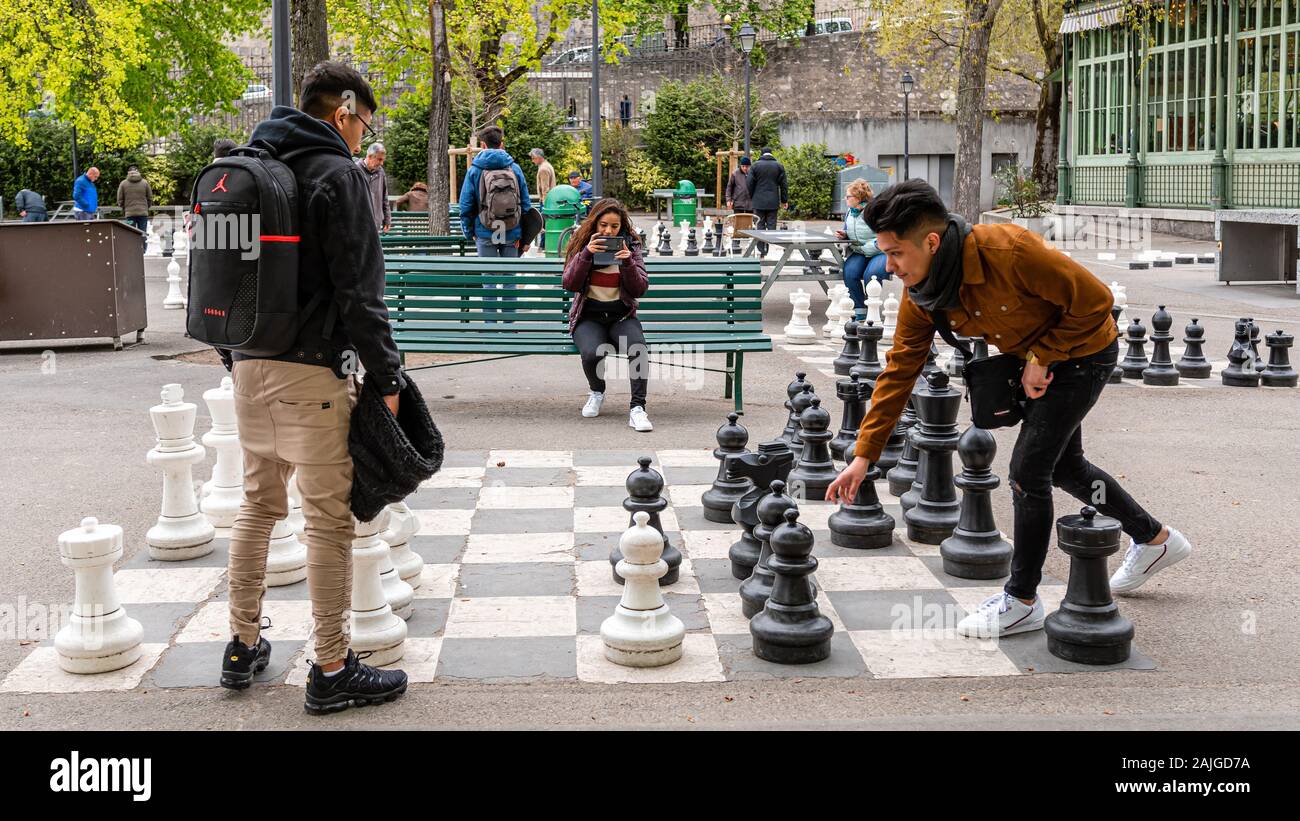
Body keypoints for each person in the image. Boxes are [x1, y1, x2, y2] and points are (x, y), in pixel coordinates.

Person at [825, 180, 1191, 639]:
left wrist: (1043, 356)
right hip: (1036, 359)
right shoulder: (925, 294)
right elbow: (899, 371)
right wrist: (864, 456)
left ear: (932, 242)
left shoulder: (1008, 250)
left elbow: (1097, 302)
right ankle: (1155, 539)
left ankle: (1021, 599)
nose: (889, 265)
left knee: (1028, 471)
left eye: (896, 253)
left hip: (1086, 352)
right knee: (1065, 467)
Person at [221, 60, 408, 713]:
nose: (364, 136)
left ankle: (242, 646)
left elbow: (218, 280)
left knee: (257, 506)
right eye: (364, 121)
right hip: (314, 371)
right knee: (327, 523)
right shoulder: (337, 177)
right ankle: (331, 667)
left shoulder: (250, 168)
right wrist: (387, 378)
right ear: (343, 113)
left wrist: (237, 359)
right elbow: (362, 294)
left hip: (248, 366)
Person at [561, 198, 653, 432]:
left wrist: (628, 263)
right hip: (589, 317)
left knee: (638, 349)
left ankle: (637, 409)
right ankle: (597, 391)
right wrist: (586, 254)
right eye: (603, 225)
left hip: (621, 317)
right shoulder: (582, 243)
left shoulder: (631, 246)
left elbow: (639, 288)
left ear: (622, 226)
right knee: (591, 354)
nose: (608, 231)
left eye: (614, 226)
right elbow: (569, 283)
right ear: (595, 223)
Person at [460, 125, 532, 320]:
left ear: (482, 144)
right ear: (502, 144)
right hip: (511, 231)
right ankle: (509, 323)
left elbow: (466, 204)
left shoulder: (475, 169)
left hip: (485, 230)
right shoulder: (514, 168)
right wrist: (524, 237)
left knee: (489, 280)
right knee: (509, 280)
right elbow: (526, 206)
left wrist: (470, 231)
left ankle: (490, 323)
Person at [835, 178, 889, 318]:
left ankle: (872, 306)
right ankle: (860, 310)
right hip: (859, 251)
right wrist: (844, 234)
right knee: (850, 273)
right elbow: (850, 229)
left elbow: (886, 234)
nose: (845, 199)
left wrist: (869, 247)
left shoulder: (875, 211)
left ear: (858, 198)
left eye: (848, 196)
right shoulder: (850, 212)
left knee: (871, 275)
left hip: (879, 252)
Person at [747, 148, 787, 255]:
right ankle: (770, 250)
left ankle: (761, 251)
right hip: (773, 201)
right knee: (771, 226)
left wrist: (752, 196)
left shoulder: (755, 166)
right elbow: (784, 185)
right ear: (771, 154)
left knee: (759, 225)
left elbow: (749, 183)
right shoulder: (779, 166)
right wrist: (784, 200)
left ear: (762, 154)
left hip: (758, 201)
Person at [356, 141, 390, 233]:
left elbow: (384, 197)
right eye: (379, 159)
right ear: (370, 156)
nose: (382, 163)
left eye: (383, 160)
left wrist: (387, 220)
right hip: (358, 224)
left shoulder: (380, 172)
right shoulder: (355, 170)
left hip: (375, 224)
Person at [116, 165, 153, 249]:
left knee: (130, 232)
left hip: (130, 214)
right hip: (143, 213)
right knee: (143, 232)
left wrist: (124, 208)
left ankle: (132, 250)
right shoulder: (145, 182)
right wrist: (146, 207)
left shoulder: (123, 183)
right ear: (138, 172)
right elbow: (150, 197)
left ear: (128, 173)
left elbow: (120, 199)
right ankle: (143, 250)